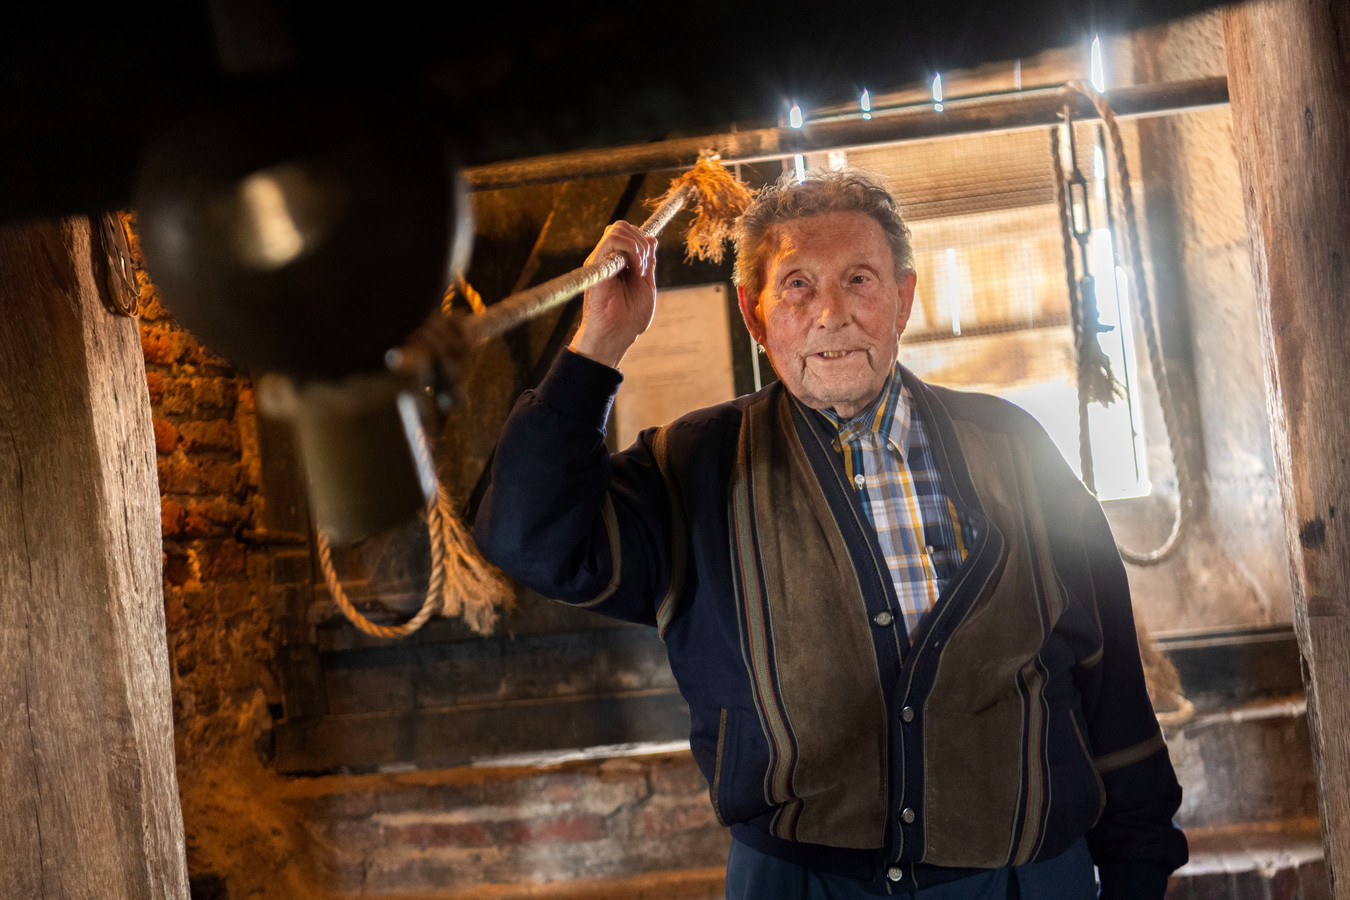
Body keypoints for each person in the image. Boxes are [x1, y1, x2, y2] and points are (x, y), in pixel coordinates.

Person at [473, 168, 1187, 899]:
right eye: (797, 285)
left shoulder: (1014, 446)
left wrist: (1138, 868)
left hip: (1025, 879)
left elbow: (1110, 680)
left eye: (859, 280)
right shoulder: (694, 466)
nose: (830, 314)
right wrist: (598, 344)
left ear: (903, 299)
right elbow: (530, 538)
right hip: (798, 883)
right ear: (754, 316)